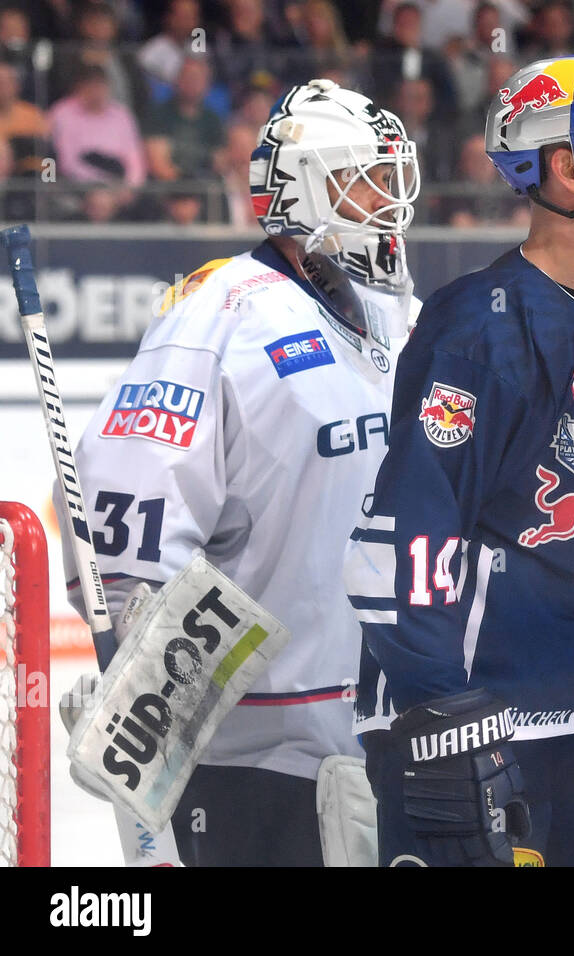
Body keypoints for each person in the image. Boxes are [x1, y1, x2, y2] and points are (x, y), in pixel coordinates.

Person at [62, 78, 421, 866]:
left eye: (390, 177)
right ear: (302, 193)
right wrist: (141, 679)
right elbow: (126, 503)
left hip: (383, 730)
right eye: (364, 178)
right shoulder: (221, 313)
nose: (387, 198)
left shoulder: (392, 312)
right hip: (253, 759)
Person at [343, 54, 574, 867]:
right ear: (570, 168)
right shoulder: (479, 328)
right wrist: (441, 718)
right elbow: (408, 534)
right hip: (474, 736)